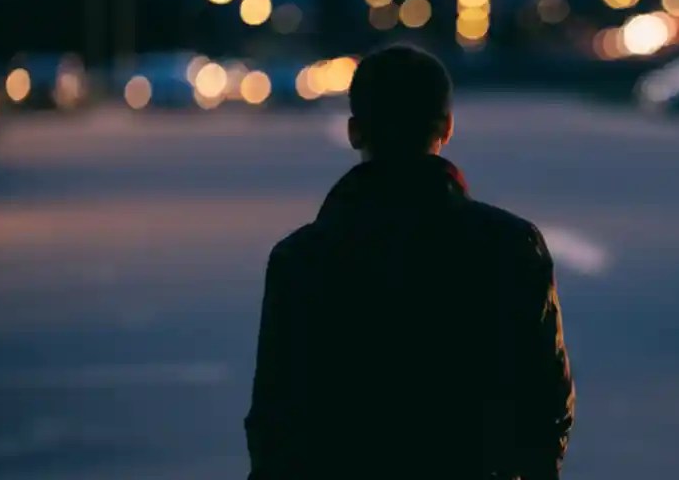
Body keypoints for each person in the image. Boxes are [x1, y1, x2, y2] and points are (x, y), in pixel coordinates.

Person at [244, 45, 575, 480]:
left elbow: (276, 419)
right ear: (447, 127)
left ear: (355, 132)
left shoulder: (302, 257)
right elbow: (545, 405)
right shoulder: (510, 245)